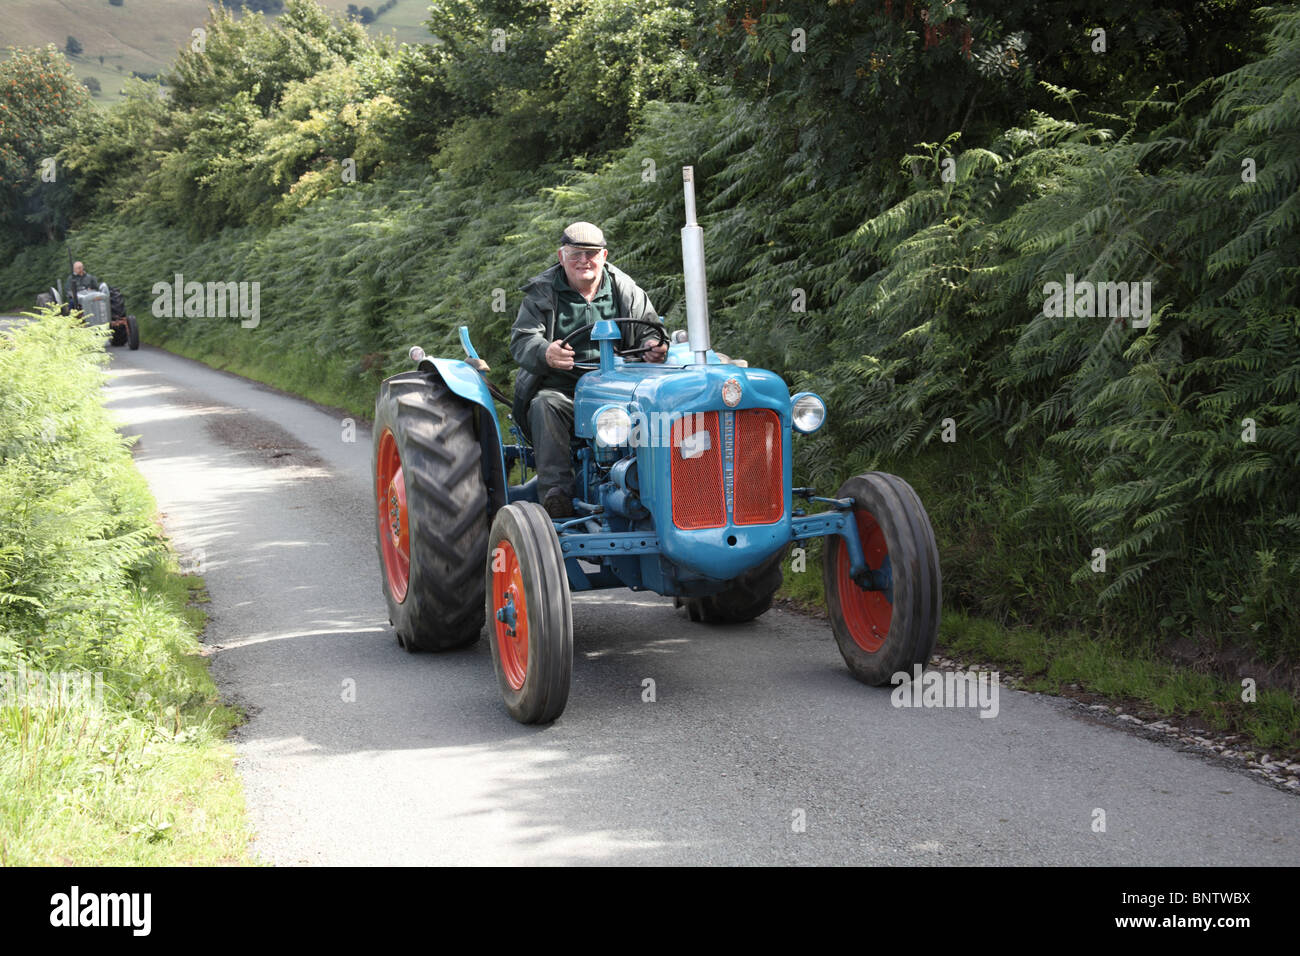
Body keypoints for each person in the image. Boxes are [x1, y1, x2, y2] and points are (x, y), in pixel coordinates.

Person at [510, 221, 667, 518]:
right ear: (562, 257)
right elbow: (522, 340)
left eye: (591, 253)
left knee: (661, 403)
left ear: (603, 256)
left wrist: (652, 346)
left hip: (619, 392)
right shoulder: (542, 293)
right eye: (575, 254)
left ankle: (661, 491)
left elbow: (650, 329)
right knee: (544, 404)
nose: (584, 260)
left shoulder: (625, 289)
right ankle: (557, 496)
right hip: (564, 391)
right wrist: (546, 352)